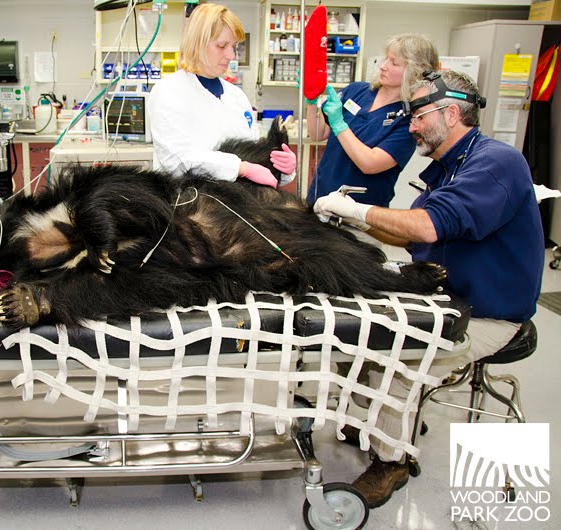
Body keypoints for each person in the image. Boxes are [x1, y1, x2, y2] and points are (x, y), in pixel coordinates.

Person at [313, 70, 544, 508]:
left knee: (397, 363)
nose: (411, 126)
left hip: (489, 313)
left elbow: (429, 225)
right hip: (444, 296)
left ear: (451, 112)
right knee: (357, 331)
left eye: (418, 115)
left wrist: (358, 206)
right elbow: (413, 236)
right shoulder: (447, 167)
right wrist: (351, 220)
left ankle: (391, 463)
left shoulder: (497, 162)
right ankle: (378, 425)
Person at [148, 3, 296, 188]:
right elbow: (177, 160)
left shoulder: (236, 96)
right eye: (222, 45)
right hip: (189, 204)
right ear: (197, 42)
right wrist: (241, 168)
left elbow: (252, 154)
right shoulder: (169, 91)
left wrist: (281, 167)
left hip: (239, 203)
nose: (231, 55)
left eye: (233, 46)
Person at [306, 33, 439, 207]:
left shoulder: (410, 120)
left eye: (394, 63)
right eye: (386, 59)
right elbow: (318, 133)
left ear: (414, 72)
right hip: (320, 196)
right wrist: (311, 101)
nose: (383, 66)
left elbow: (369, 163)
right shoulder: (357, 91)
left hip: (360, 210)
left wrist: (339, 124)